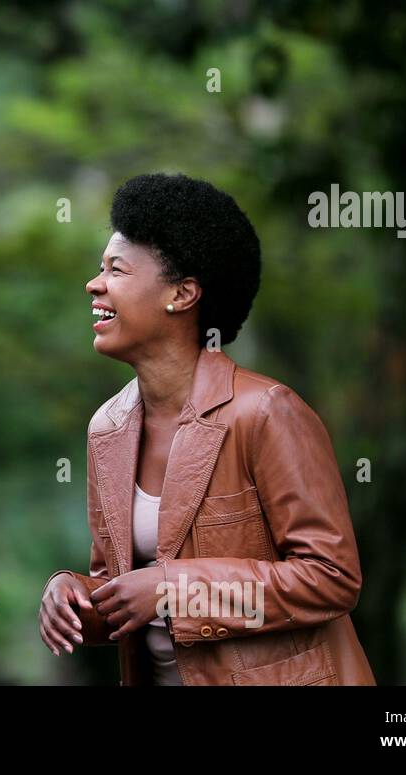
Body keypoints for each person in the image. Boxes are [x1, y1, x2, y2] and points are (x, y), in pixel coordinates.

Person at [39, 173, 374, 685]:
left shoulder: (265, 412)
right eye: (99, 268)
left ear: (182, 293)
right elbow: (124, 588)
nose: (94, 282)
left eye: (117, 270)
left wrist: (177, 590)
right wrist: (76, 597)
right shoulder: (106, 429)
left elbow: (331, 578)